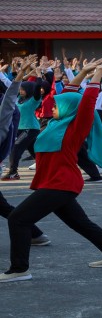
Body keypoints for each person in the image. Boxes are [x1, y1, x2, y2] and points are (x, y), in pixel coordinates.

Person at [1, 58, 102, 283]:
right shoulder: (57, 123)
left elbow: (85, 101)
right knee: (82, 224)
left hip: (60, 184)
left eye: (57, 105)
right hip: (55, 183)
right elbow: (69, 92)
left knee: (18, 219)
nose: (53, 107)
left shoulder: (76, 126)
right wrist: (83, 72)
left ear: (68, 109)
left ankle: (19, 269)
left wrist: (96, 75)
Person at [0, 56, 50, 247]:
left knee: (16, 152)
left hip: (31, 129)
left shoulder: (7, 116)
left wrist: (26, 74)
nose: (21, 91)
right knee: (4, 207)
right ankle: (36, 234)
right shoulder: (19, 105)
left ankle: (35, 235)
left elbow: (9, 97)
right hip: (22, 130)